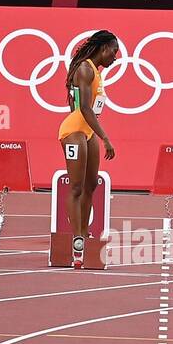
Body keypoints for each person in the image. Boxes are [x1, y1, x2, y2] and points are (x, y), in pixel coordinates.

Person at [58, 30, 119, 269]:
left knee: (91, 184)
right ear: (103, 48)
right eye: (114, 52)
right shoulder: (84, 69)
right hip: (74, 131)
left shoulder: (96, 72)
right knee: (75, 186)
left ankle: (85, 233)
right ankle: (77, 239)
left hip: (88, 132)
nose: (115, 58)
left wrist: (96, 134)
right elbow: (83, 108)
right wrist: (106, 137)